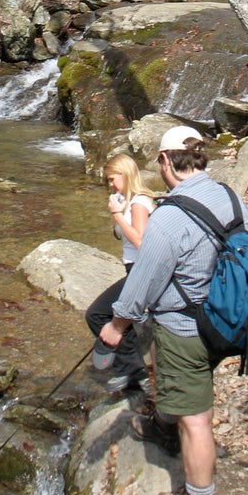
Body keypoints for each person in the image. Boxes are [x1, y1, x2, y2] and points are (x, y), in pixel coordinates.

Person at [98, 126, 248, 495]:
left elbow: (144, 280)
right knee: (183, 384)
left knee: (197, 420)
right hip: (229, 318)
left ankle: (198, 489)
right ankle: (165, 421)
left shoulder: (169, 217)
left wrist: (117, 326)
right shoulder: (233, 198)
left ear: (166, 161)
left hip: (185, 329)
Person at [86, 154, 155, 392]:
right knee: (110, 315)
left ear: (125, 175)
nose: (111, 185)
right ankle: (134, 370)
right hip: (132, 269)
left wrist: (117, 214)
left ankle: (133, 370)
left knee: (96, 314)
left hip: (140, 269)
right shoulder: (129, 200)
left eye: (113, 179)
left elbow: (140, 241)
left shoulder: (140, 202)